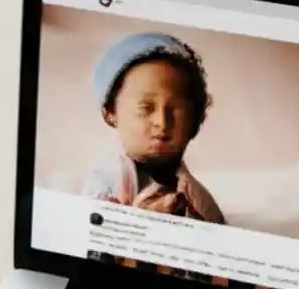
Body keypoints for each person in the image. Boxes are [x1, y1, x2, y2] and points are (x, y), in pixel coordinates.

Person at [80, 33, 225, 223]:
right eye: (145, 108)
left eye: (176, 109)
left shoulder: (201, 201)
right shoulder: (104, 183)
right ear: (110, 113)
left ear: (196, 119)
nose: (162, 122)